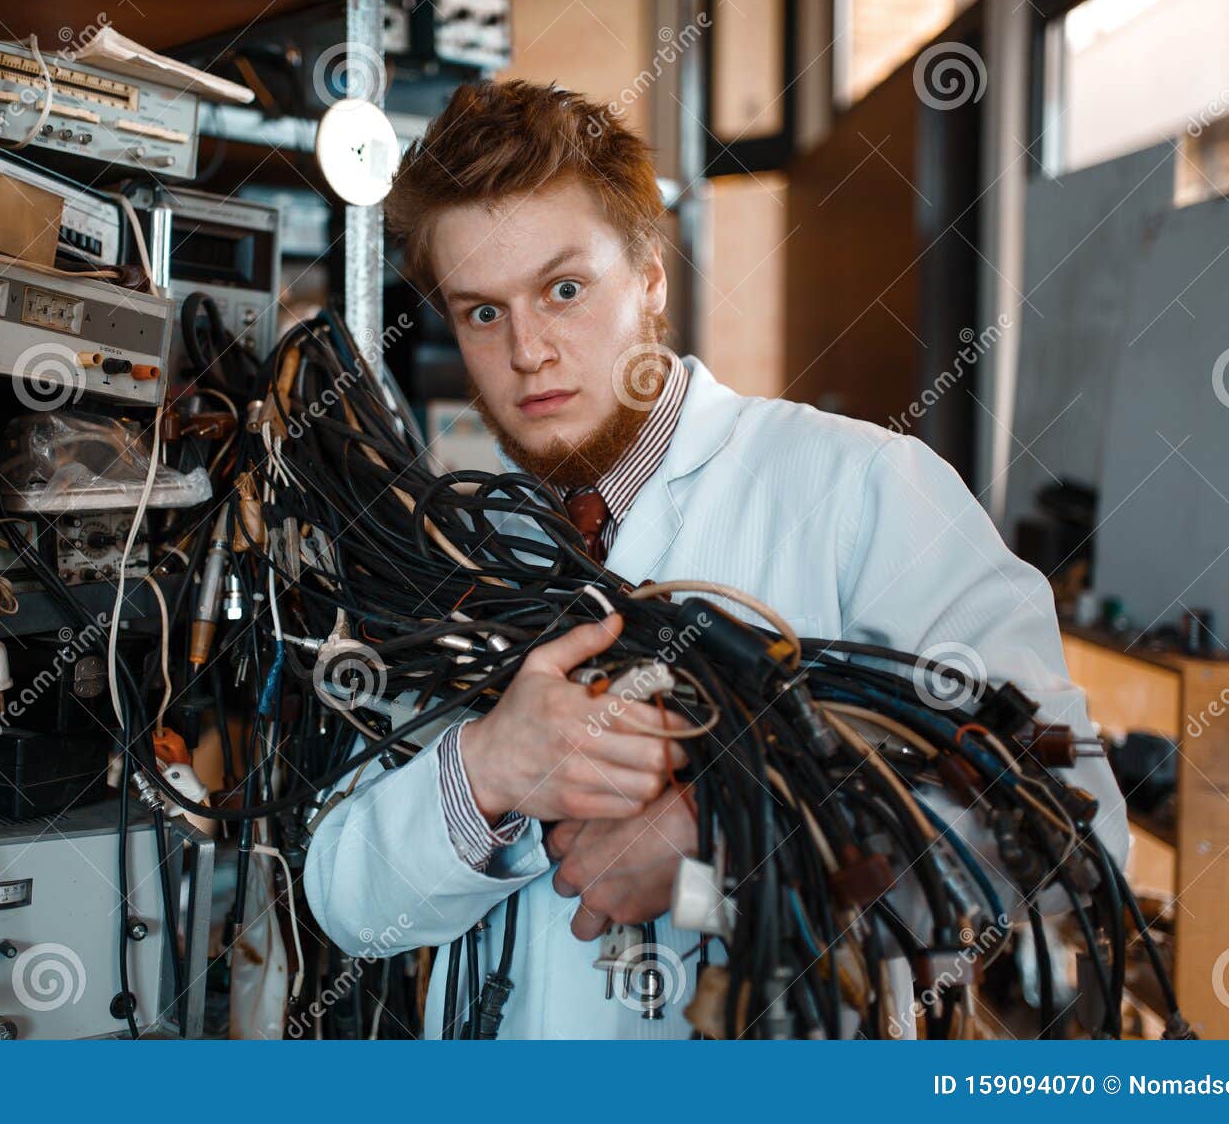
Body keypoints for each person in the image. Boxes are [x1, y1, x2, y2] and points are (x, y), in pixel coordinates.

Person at [301, 79, 1127, 1038]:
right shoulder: (458, 555)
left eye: (564, 290)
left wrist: (726, 842)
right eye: (483, 313)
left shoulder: (861, 490)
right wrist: (487, 772)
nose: (529, 351)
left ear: (650, 273)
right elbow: (352, 908)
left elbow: (1076, 834)